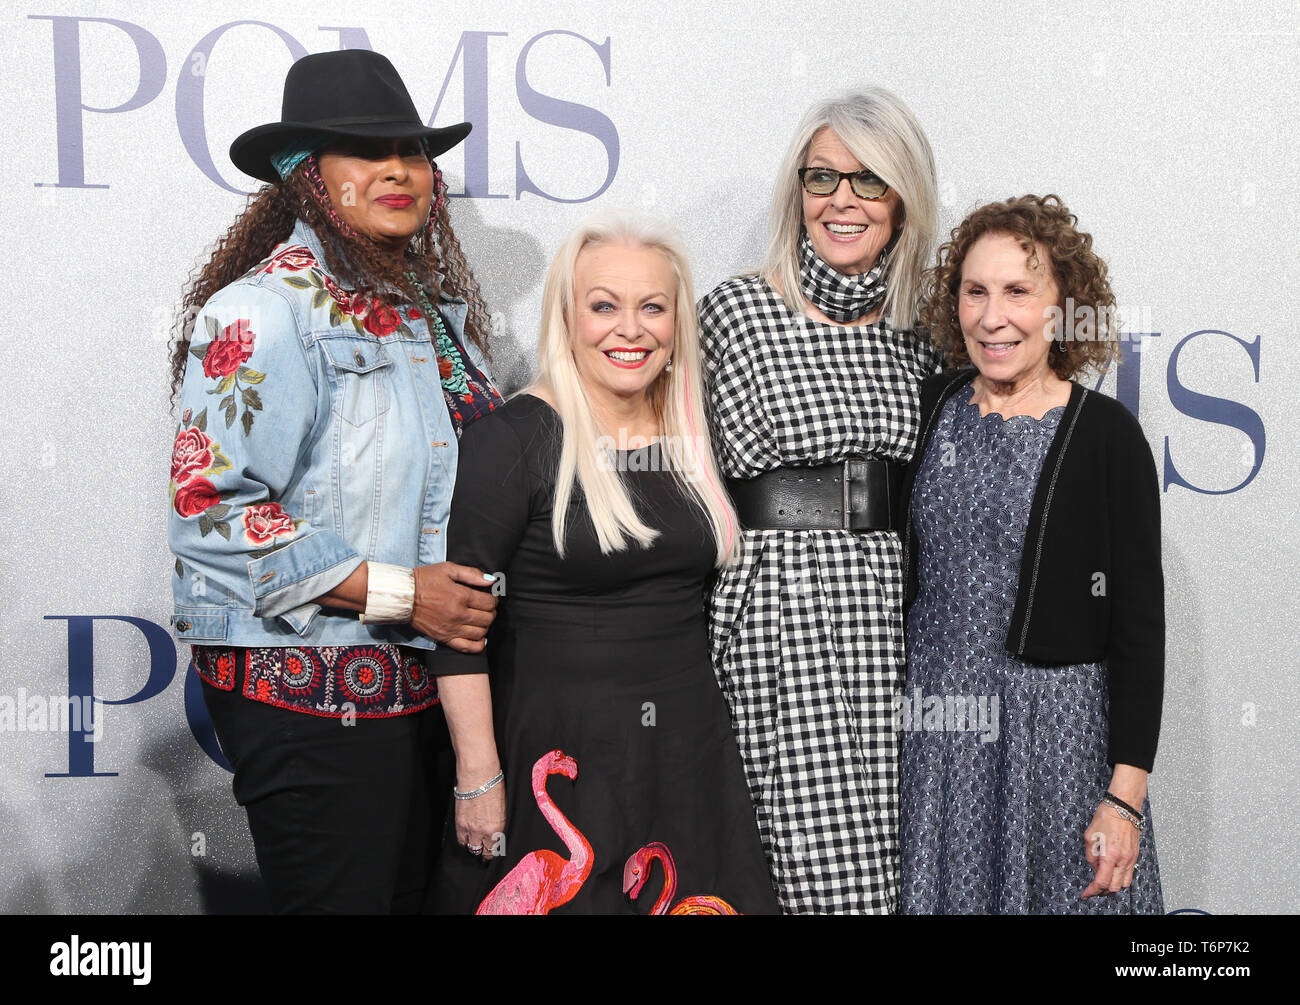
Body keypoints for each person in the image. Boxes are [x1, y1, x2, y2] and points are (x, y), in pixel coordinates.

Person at [167, 49, 504, 913]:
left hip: (417, 702)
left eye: (413, 150)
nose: (399, 169)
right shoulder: (262, 309)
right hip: (309, 703)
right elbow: (211, 510)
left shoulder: (429, 316)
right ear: (304, 175)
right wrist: (403, 595)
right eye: (365, 150)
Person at [431, 211, 779, 915]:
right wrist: (477, 774)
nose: (630, 328)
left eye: (653, 306)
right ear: (567, 315)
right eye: (604, 305)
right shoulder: (511, 442)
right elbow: (457, 626)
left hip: (688, 754)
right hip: (562, 753)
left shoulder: (691, 436)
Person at [698, 89, 939, 913]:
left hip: (899, 620)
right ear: (796, 191)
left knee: (913, 865)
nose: (842, 199)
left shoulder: (927, 331)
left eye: (868, 180)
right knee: (805, 875)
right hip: (779, 611)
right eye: (822, 177)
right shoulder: (733, 311)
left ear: (903, 195)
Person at [898, 194, 1164, 914]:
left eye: (1019, 291)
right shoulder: (930, 408)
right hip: (940, 741)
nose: (993, 316)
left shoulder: (1106, 436)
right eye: (975, 291)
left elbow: (1139, 631)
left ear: (1062, 306)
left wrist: (1124, 800)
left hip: (1054, 749)